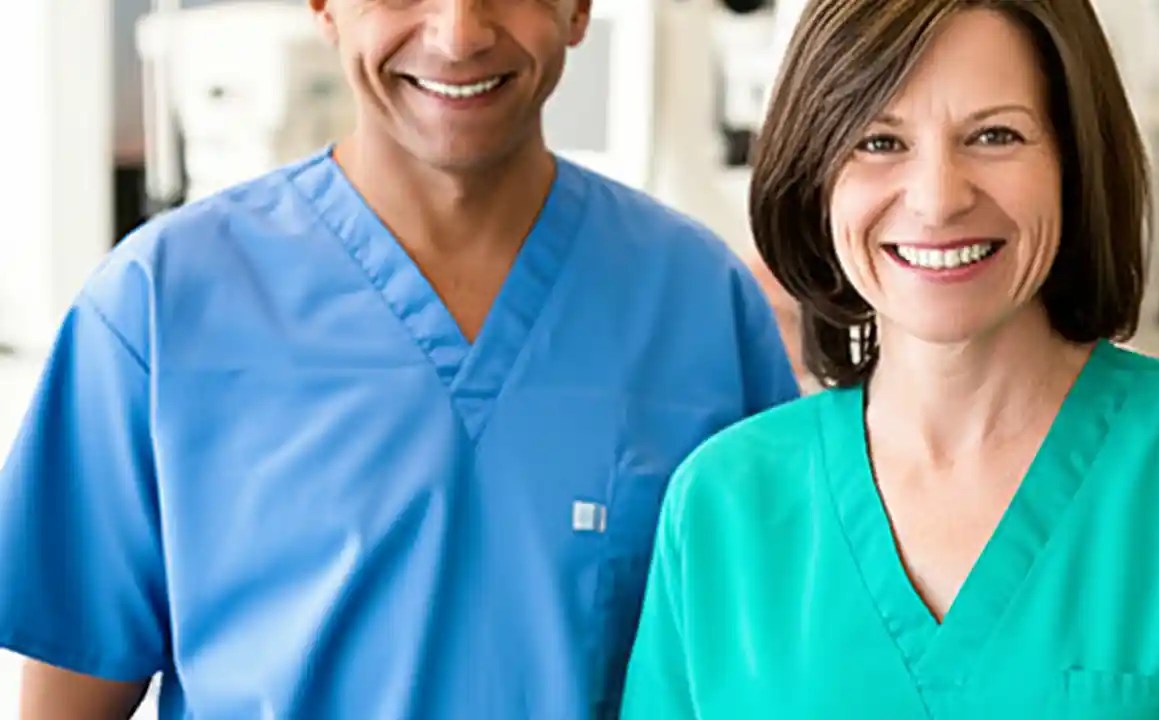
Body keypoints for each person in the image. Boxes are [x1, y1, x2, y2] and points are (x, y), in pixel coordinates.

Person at [0, 1, 798, 717]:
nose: (459, 33)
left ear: (579, 7)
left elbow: (772, 672)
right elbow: (70, 696)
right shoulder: (161, 306)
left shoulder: (700, 305)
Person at [621, 1, 1159, 718]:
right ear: (815, 174)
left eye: (995, 135)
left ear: (1074, 160)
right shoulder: (723, 504)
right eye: (878, 142)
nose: (937, 200)